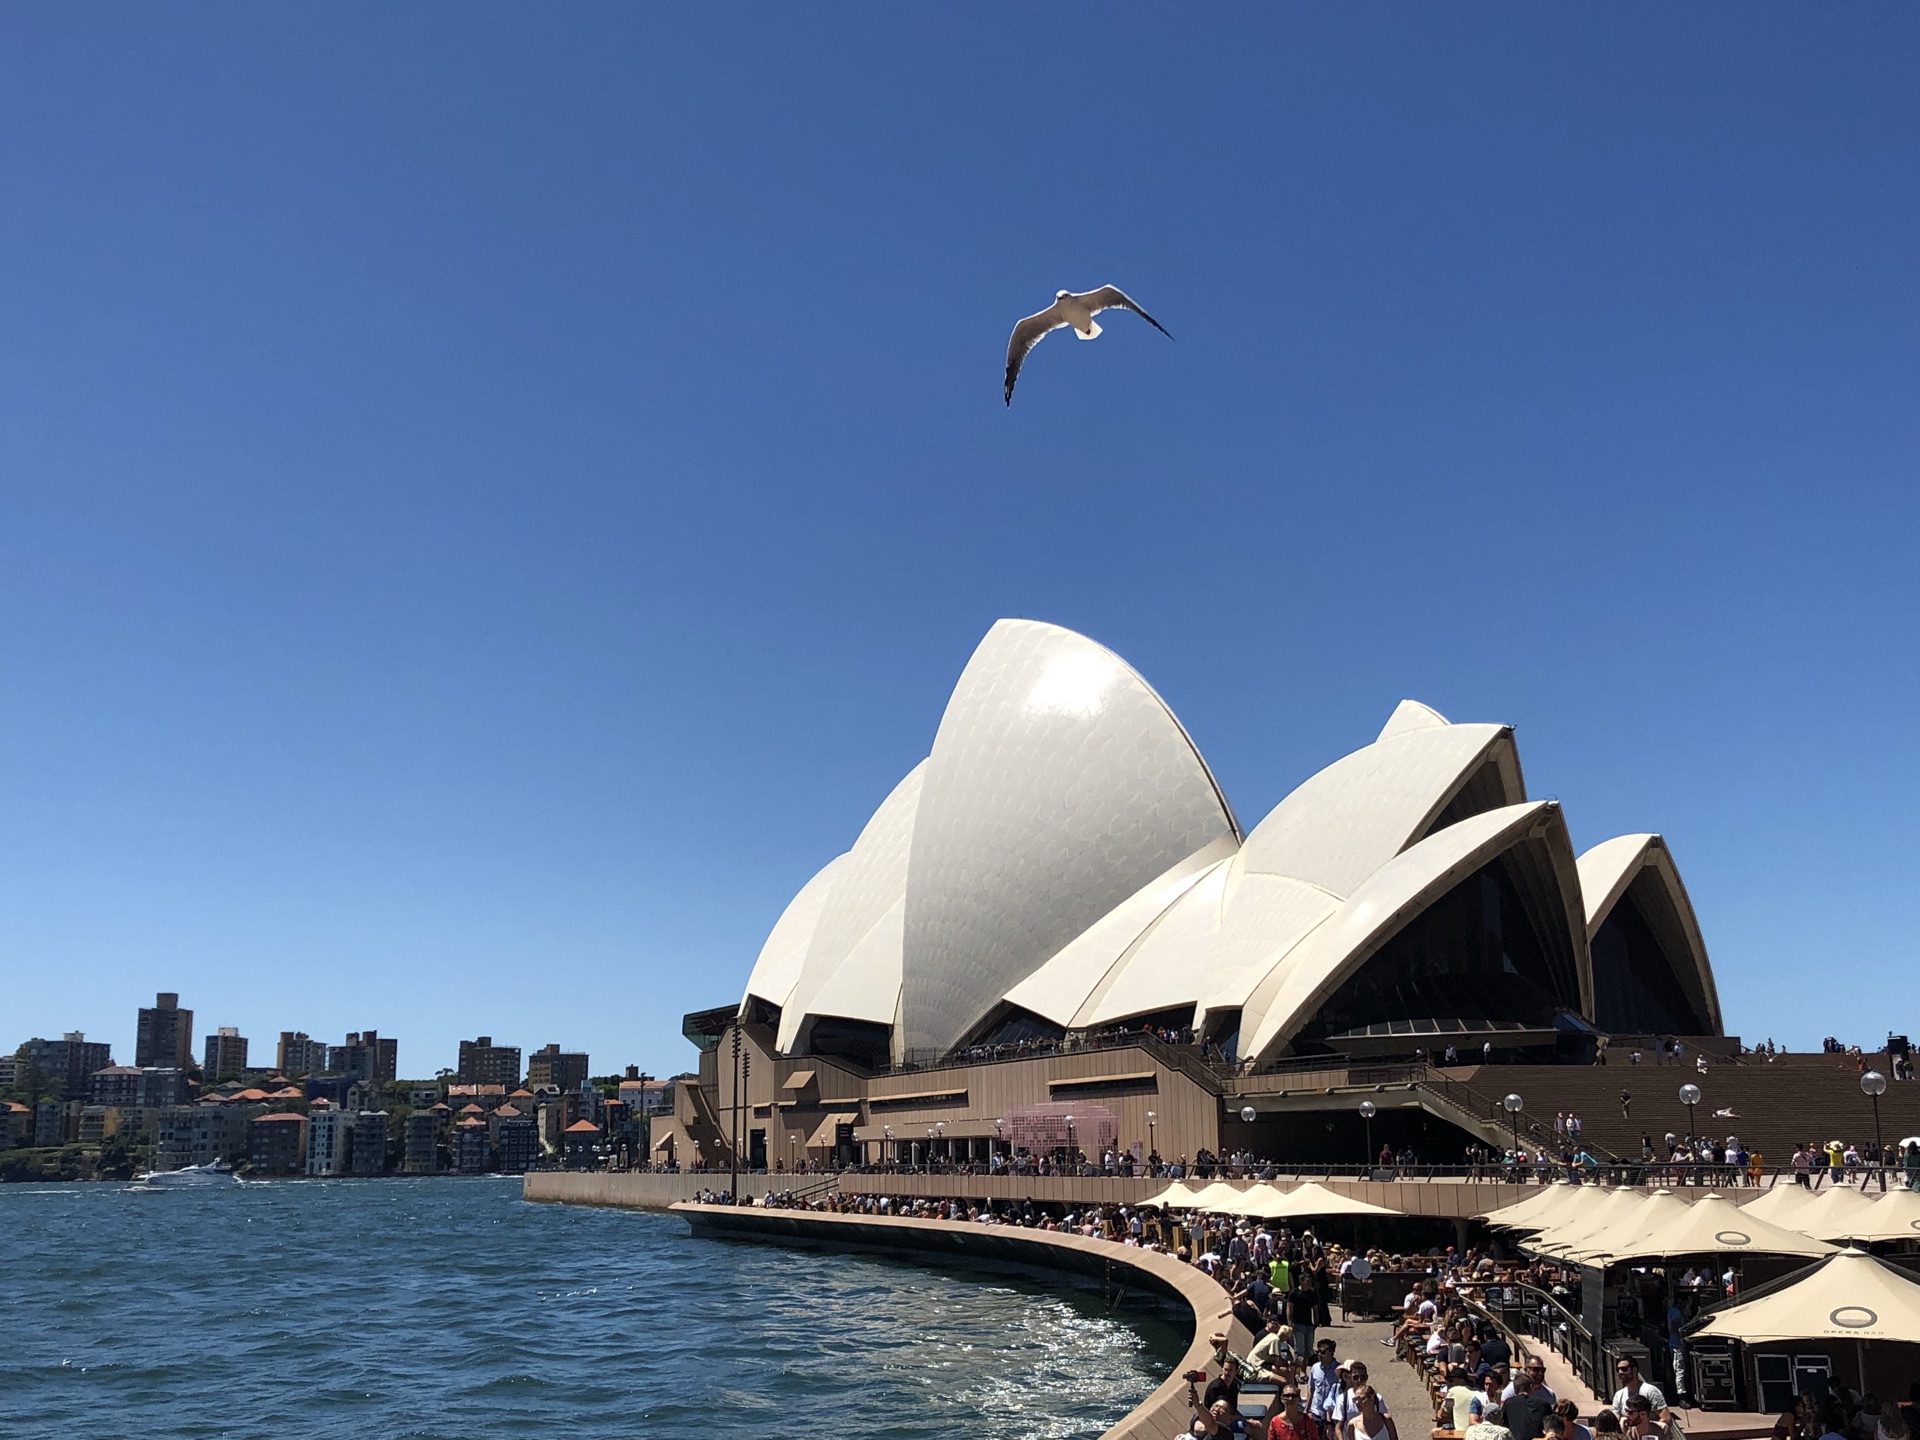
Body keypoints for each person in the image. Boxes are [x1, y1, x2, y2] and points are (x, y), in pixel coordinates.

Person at [1611, 1357, 1668, 1424]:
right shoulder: (1618, 1395)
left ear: (1634, 1370)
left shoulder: (1650, 1391)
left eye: (1624, 1369)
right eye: (1618, 1370)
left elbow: (1666, 1419)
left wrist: (1648, 1429)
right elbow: (1615, 1420)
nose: (1620, 1372)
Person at [1308, 1339, 1346, 1435]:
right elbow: (1311, 1388)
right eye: (1318, 1352)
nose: (1319, 1355)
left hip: (1333, 1414)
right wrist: (1307, 1409)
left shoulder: (1339, 1370)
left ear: (1332, 1352)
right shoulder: (1315, 1368)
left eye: (1323, 1352)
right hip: (1316, 1411)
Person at [1505, 1373, 1554, 1440]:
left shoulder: (1508, 1404)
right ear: (1531, 1387)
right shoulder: (1543, 1403)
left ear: (1515, 1389)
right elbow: (1550, 1426)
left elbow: (1504, 1424)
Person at [1248, 1317, 1296, 1382]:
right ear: (1284, 1336)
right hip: (1257, 1365)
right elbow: (1277, 1362)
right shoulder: (1275, 1340)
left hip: (1261, 1362)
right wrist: (1287, 1363)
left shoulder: (1272, 1335)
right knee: (1287, 1372)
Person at [1439, 1366, 1476, 1433]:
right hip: (1475, 1433)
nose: (1449, 1383)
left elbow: (1444, 1413)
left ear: (1461, 1381)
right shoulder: (1477, 1392)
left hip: (1460, 1432)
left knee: (1434, 1432)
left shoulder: (1453, 1391)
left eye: (1451, 1380)